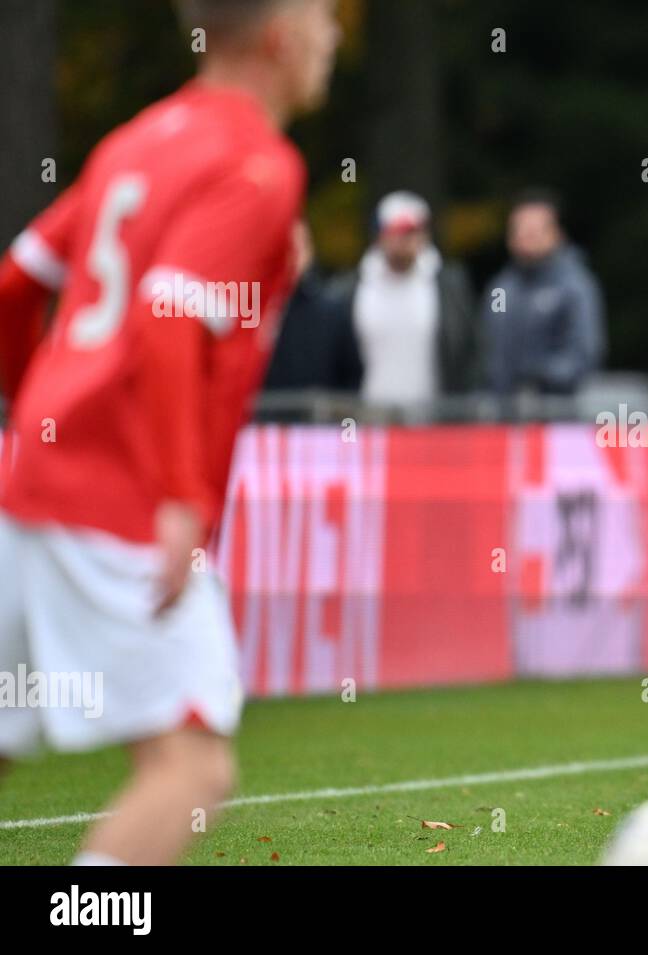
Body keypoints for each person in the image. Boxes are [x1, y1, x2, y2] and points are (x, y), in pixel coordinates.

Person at [0, 0, 340, 864]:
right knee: (191, 766)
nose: (333, 35)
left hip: (32, 484)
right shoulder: (259, 163)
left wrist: (34, 413)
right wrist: (182, 495)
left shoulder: (134, 142)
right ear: (279, 37)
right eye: (324, 17)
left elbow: (14, 281)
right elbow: (165, 315)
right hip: (120, 497)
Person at [333, 190, 477, 411]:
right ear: (379, 234)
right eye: (395, 231)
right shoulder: (349, 289)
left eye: (410, 231)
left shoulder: (450, 287)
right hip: (368, 420)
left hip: (432, 420)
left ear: (425, 234)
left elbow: (467, 353)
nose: (402, 240)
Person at [482, 190, 606, 405]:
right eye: (518, 230)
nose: (524, 237)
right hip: (505, 414)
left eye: (534, 230)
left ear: (557, 233)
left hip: (559, 413)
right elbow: (487, 348)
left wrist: (536, 375)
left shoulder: (575, 286)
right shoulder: (501, 288)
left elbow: (585, 354)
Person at [263, 219, 362, 392]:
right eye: (285, 247)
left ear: (310, 252)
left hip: (320, 417)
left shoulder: (332, 312)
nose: (292, 257)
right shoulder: (247, 312)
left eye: (299, 247)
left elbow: (352, 378)